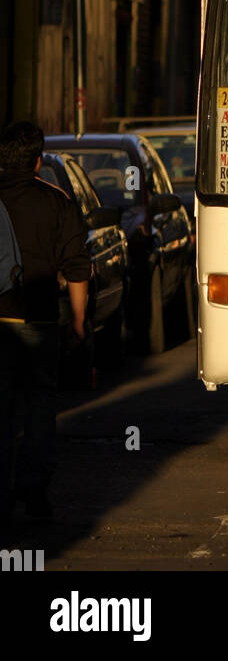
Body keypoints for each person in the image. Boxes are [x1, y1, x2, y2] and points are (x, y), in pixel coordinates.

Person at [0, 120, 91, 523]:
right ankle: (34, 490)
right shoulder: (56, 201)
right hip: (38, 321)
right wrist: (78, 321)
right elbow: (77, 268)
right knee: (39, 405)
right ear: (38, 161)